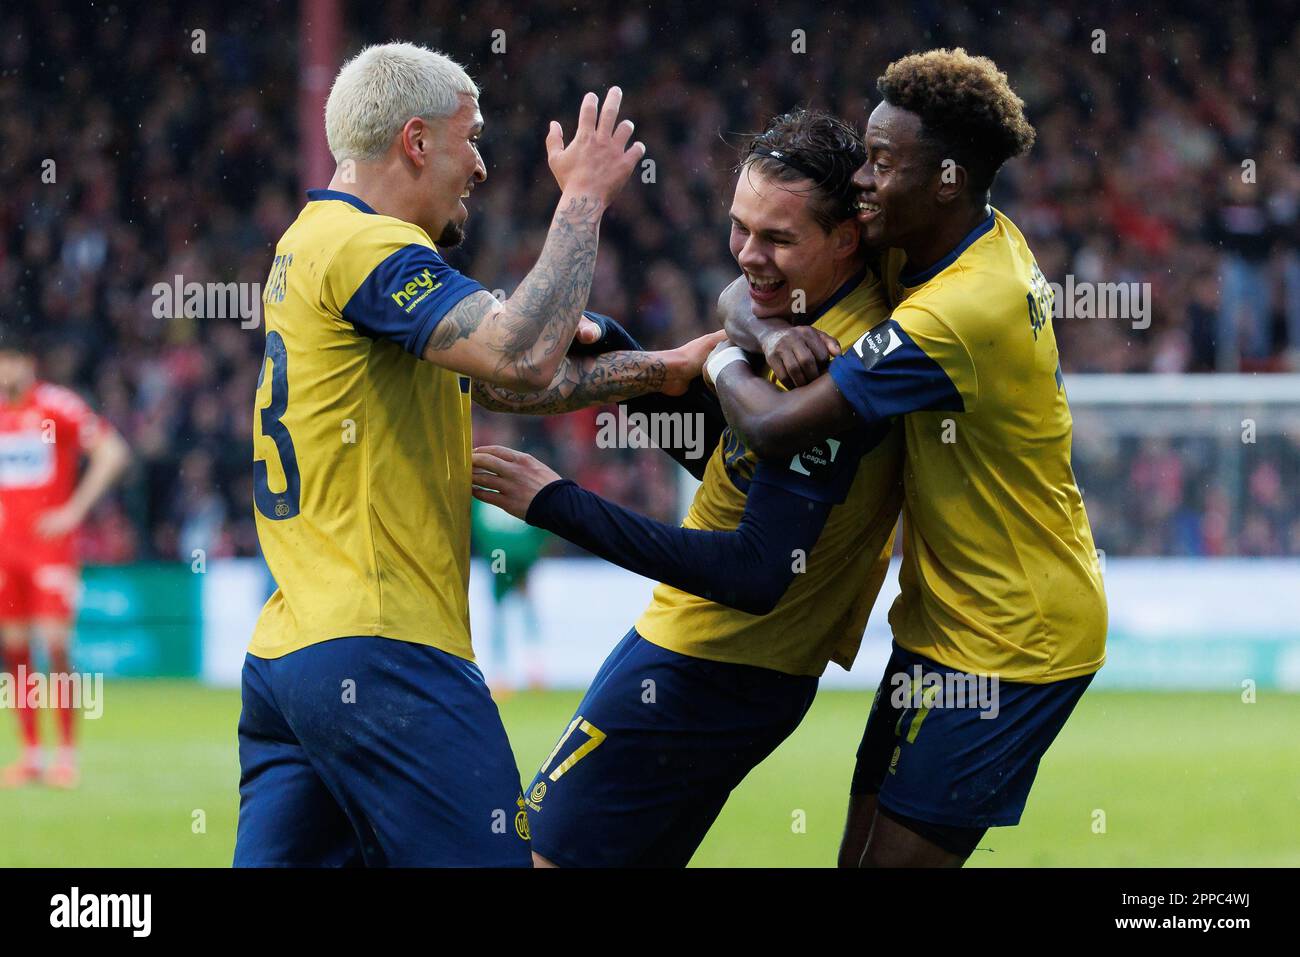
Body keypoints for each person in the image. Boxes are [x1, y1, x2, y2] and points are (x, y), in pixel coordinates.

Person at [234, 41, 713, 867]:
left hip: (290, 660)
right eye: (472, 138)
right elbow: (519, 355)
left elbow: (505, 383)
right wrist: (585, 199)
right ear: (417, 142)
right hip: (387, 650)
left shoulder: (309, 242)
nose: (482, 166)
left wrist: (661, 370)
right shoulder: (369, 247)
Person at [472, 110, 905, 868]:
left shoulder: (840, 365)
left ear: (846, 238)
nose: (748, 256)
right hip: (725, 667)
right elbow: (728, 459)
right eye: (740, 228)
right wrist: (620, 354)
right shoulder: (796, 316)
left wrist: (557, 503)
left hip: (705, 667)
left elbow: (756, 572)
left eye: (776, 238)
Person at [710, 49, 1107, 867]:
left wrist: (722, 360)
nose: (860, 176)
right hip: (939, 622)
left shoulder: (963, 307)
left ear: (949, 179)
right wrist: (774, 329)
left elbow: (779, 427)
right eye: (864, 151)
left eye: (882, 162)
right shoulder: (935, 244)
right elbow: (745, 287)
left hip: (1011, 640)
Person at [0, 322, 130, 789]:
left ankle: (67, 756)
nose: (4, 371)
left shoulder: (56, 406)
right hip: (5, 554)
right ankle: (32, 755)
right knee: (15, 651)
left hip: (49, 551)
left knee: (55, 645)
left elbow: (113, 451)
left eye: (11, 361)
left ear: (27, 364)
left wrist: (74, 511)